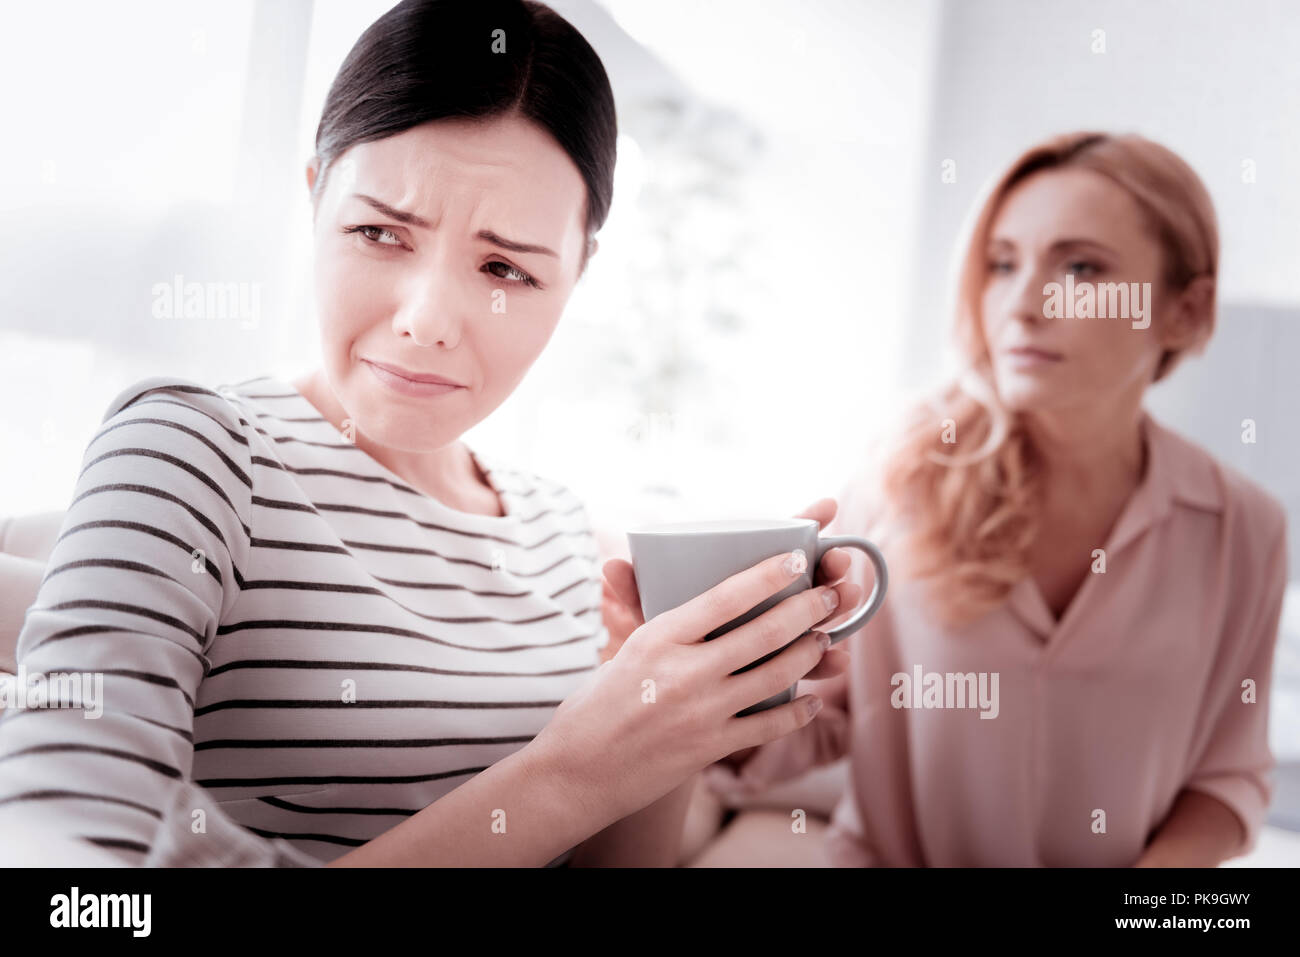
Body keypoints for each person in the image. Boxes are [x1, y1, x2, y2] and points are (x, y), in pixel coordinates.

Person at [0, 0, 858, 867]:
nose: (427, 321)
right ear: (314, 198)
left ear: (579, 272)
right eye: (380, 232)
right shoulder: (194, 452)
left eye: (505, 268)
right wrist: (572, 773)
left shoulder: (568, 540)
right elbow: (78, 878)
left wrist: (678, 723)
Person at [684, 131, 1289, 867]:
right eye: (1002, 264)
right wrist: (718, 680)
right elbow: (817, 720)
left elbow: (1228, 779)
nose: (1023, 304)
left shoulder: (1244, 529)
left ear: (1184, 312)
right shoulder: (899, 478)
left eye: (1079, 267)